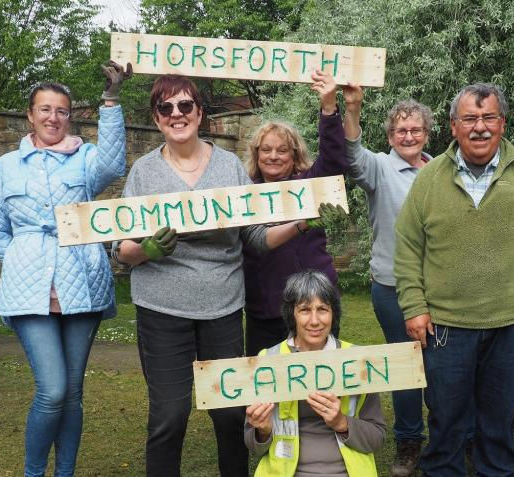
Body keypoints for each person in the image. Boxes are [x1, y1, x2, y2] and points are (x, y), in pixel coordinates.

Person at [113, 74, 305, 477]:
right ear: (157, 117)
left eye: (185, 106)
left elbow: (254, 236)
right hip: (161, 310)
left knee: (231, 415)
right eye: (166, 108)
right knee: (169, 416)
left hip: (221, 309)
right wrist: (146, 249)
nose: (176, 114)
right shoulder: (144, 173)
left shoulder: (229, 166)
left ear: (200, 113)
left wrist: (300, 225)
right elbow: (121, 249)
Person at [394, 83, 514, 476]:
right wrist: (414, 306)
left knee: (497, 421)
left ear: (502, 123)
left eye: (489, 117)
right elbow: (407, 246)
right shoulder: (429, 180)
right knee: (445, 422)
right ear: (454, 126)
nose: (480, 127)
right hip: (446, 328)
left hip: (512, 325)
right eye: (470, 119)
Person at [0, 61, 132, 477]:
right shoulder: (7, 166)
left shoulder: (84, 159)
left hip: (82, 282)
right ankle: (34, 473)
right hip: (30, 291)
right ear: (30, 115)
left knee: (74, 394)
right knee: (53, 389)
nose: (53, 117)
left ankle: (65, 473)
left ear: (69, 116)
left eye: (61, 110)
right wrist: (20, 258)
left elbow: (116, 164)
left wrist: (112, 100)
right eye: (44, 109)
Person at [340, 84, 433, 476]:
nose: (408, 136)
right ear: (390, 136)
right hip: (393, 288)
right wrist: (353, 106)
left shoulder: (444, 169)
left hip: (444, 290)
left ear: (427, 133)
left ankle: (455, 438)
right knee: (406, 369)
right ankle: (409, 442)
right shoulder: (378, 166)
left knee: (448, 369)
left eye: (415, 130)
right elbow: (349, 154)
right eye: (400, 131)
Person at [243, 69, 350, 356]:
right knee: (266, 387)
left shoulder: (310, 185)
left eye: (282, 150)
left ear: (295, 155)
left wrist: (329, 107)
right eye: (266, 150)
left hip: (314, 304)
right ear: (256, 155)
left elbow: (334, 157)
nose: (274, 156)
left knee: (320, 386)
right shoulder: (243, 195)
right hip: (264, 309)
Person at [245, 270, 386, 477]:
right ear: (291, 314)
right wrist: (262, 431)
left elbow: (377, 437)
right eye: (304, 310)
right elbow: (254, 445)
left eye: (322, 309)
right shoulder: (268, 360)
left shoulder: (357, 361)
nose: (314, 321)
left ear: (333, 313)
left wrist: (341, 422)